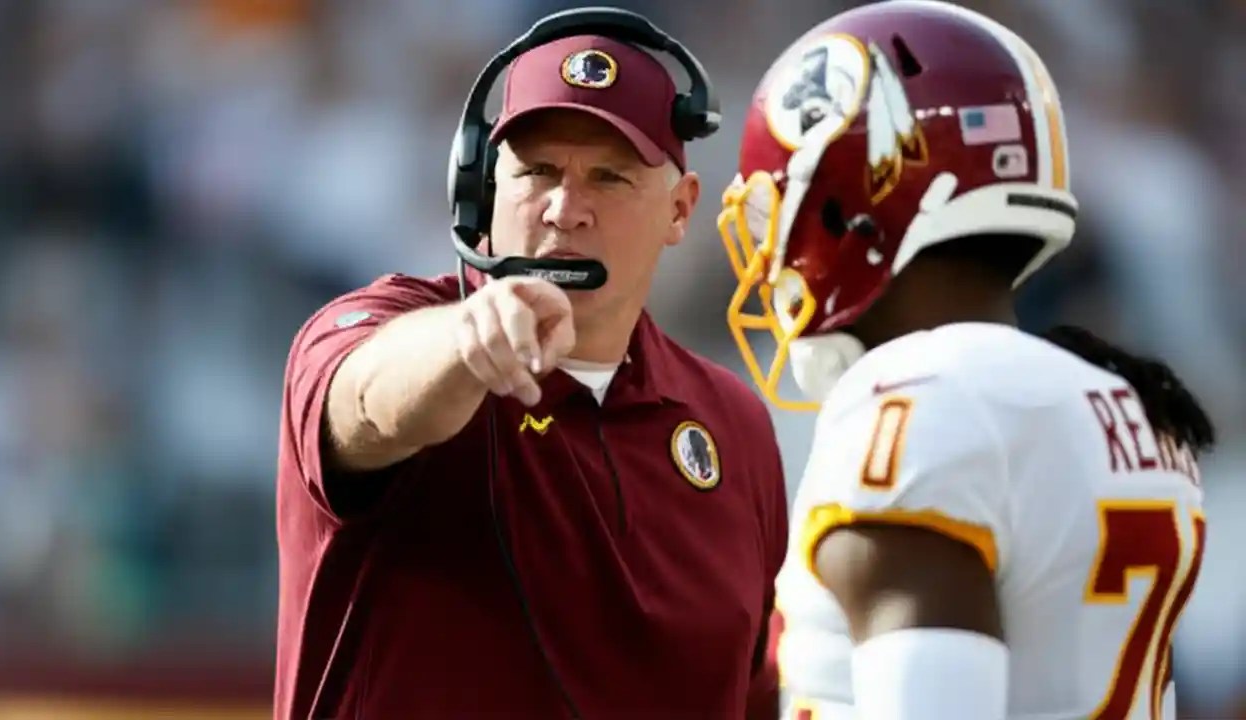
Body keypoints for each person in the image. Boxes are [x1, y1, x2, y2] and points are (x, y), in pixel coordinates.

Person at [274, 10, 788, 720]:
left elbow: (755, 693)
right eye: (538, 170)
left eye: (609, 177)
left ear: (680, 211)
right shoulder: (392, 328)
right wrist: (464, 347)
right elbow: (363, 403)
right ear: (478, 192)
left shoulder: (734, 425)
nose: (564, 209)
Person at [717, 2, 1216, 719]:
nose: (771, 262)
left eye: (777, 218)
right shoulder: (1122, 397)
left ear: (849, 207)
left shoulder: (918, 397)